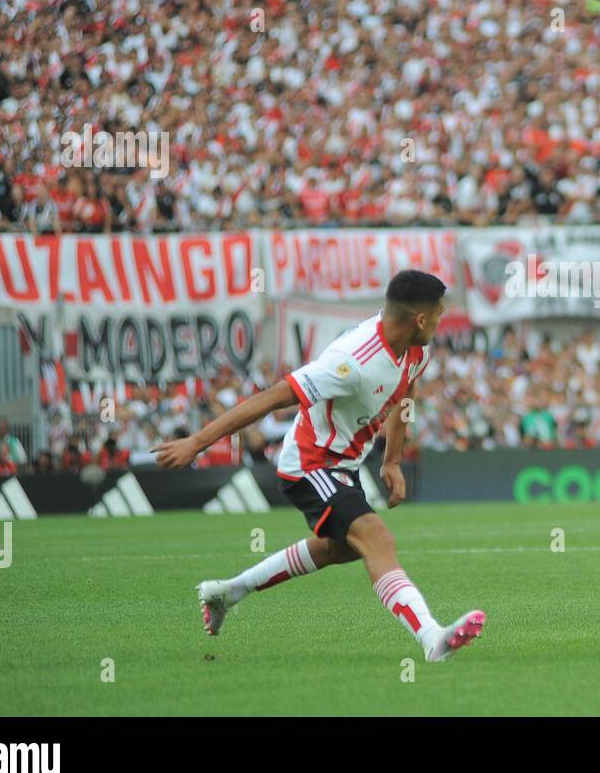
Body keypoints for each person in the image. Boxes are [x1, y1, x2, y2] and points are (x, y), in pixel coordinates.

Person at [152, 270, 485, 663]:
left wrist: (393, 458)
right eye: (440, 314)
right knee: (377, 540)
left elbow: (406, 391)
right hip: (311, 463)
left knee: (341, 549)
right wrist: (198, 442)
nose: (442, 321)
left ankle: (227, 592)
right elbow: (274, 397)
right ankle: (432, 638)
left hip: (344, 464)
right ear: (419, 319)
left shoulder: (416, 349)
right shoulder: (350, 361)